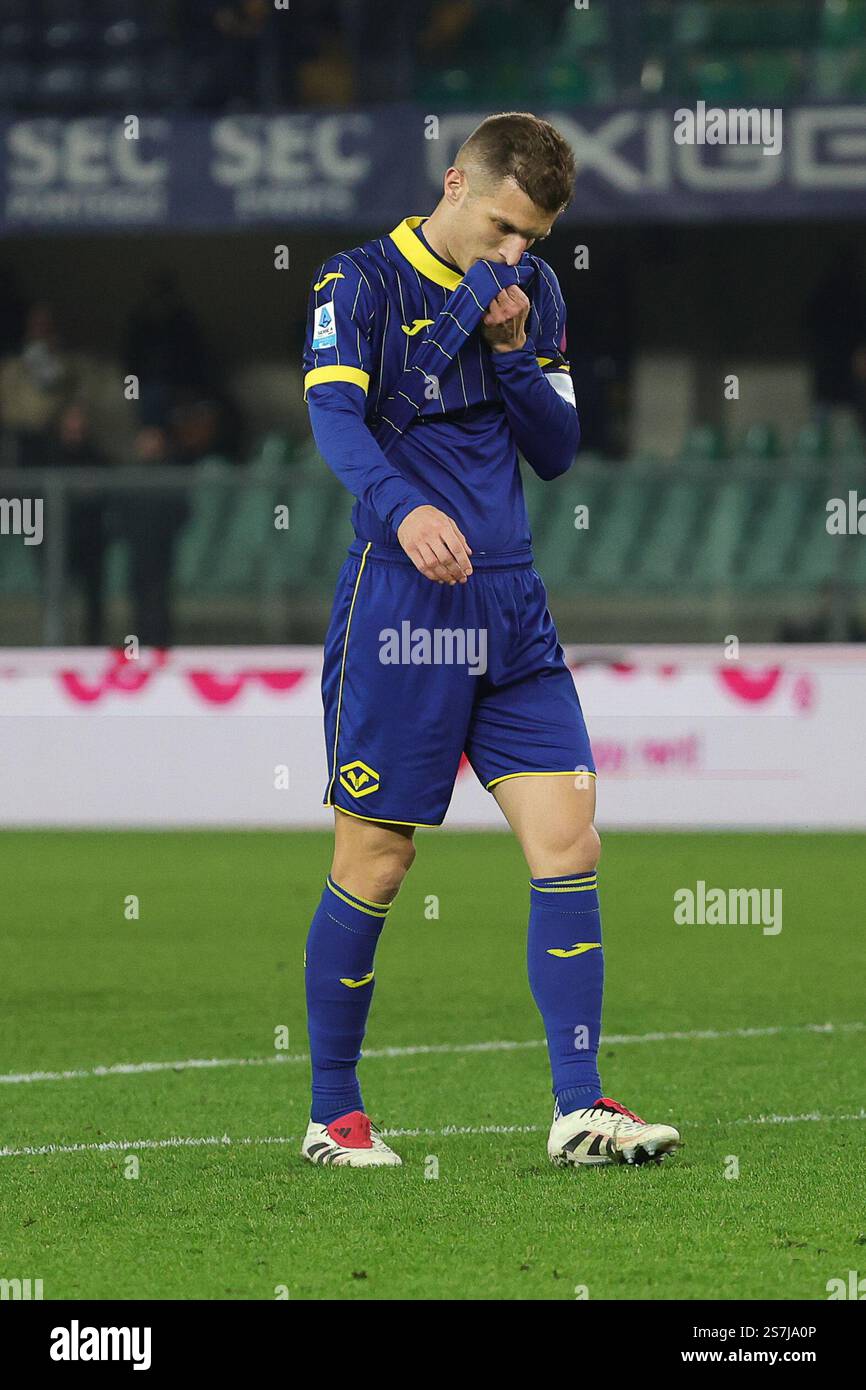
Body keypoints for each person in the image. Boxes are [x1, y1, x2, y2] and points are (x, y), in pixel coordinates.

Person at [300, 112, 681, 1169]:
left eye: (536, 238)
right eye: (506, 227)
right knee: (375, 860)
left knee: (570, 843)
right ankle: (334, 1113)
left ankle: (577, 1105)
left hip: (510, 611)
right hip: (399, 613)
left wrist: (513, 351)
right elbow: (336, 426)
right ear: (456, 181)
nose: (517, 254)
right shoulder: (358, 284)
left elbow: (556, 451)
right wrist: (402, 508)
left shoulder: (532, 295)